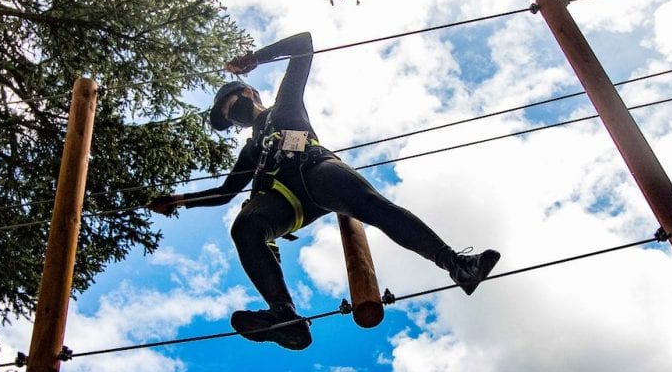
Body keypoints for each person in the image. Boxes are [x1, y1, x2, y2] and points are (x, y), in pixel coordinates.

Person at [149, 32, 499, 350]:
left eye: (233, 104)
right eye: (229, 116)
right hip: (284, 199)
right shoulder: (250, 151)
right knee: (245, 226)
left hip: (315, 169)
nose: (234, 114)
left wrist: (257, 57)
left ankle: (457, 265)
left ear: (250, 92)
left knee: (374, 207)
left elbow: (303, 45)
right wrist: (179, 200)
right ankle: (284, 316)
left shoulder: (284, 105)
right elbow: (225, 193)